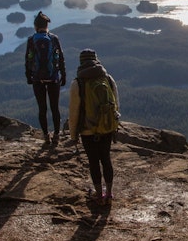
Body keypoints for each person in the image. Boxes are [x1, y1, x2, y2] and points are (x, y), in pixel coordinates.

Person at [69, 49, 119, 203]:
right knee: (106, 159)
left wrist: (73, 135)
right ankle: (109, 194)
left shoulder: (78, 83)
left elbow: (74, 112)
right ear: (96, 60)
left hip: (87, 130)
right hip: (106, 127)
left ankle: (99, 195)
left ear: (81, 62)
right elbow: (115, 105)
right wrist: (114, 125)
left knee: (93, 161)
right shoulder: (108, 79)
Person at [25, 11, 66, 147]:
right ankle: (56, 135)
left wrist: (29, 76)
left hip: (38, 79)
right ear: (47, 25)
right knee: (55, 108)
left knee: (42, 108)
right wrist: (63, 75)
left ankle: (46, 136)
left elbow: (28, 59)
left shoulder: (32, 40)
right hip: (53, 78)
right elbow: (60, 58)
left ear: (36, 26)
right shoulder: (54, 38)